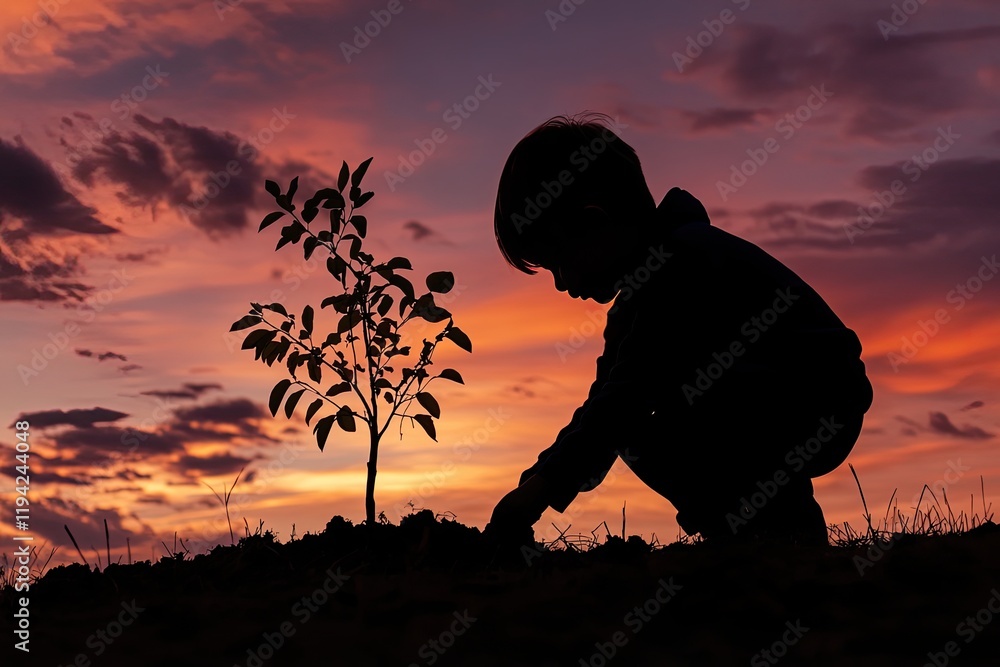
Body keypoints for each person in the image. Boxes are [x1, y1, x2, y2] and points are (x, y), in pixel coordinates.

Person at [484, 113, 874, 546]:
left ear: (593, 221)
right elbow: (603, 402)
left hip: (815, 395)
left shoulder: (681, 263)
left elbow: (624, 399)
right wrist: (536, 483)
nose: (560, 282)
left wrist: (532, 498)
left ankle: (778, 528)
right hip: (766, 395)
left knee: (645, 410)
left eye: (557, 260)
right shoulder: (635, 300)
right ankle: (743, 531)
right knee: (633, 426)